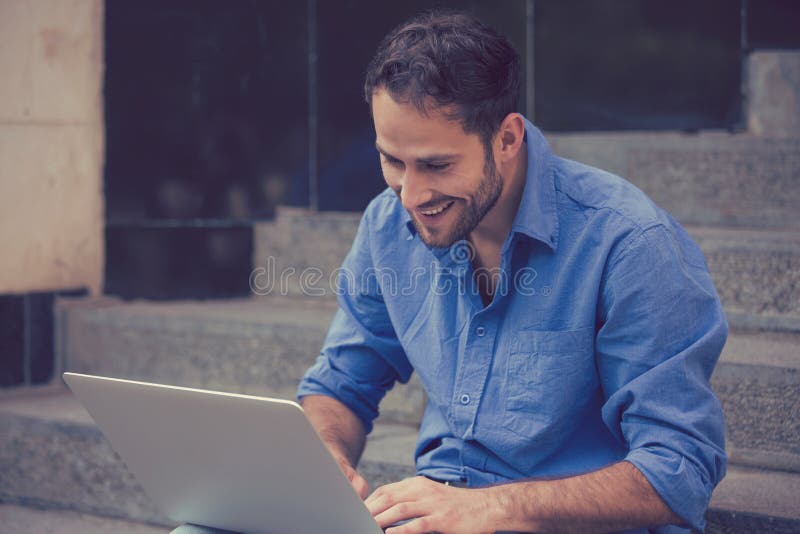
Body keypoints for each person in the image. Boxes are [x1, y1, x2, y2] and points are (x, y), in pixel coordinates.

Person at [174, 9, 727, 534]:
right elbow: (341, 382)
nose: (411, 195)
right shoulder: (388, 224)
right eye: (393, 160)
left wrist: (491, 508)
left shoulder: (630, 244)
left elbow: (680, 470)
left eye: (436, 165)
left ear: (507, 139)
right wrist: (323, 459)